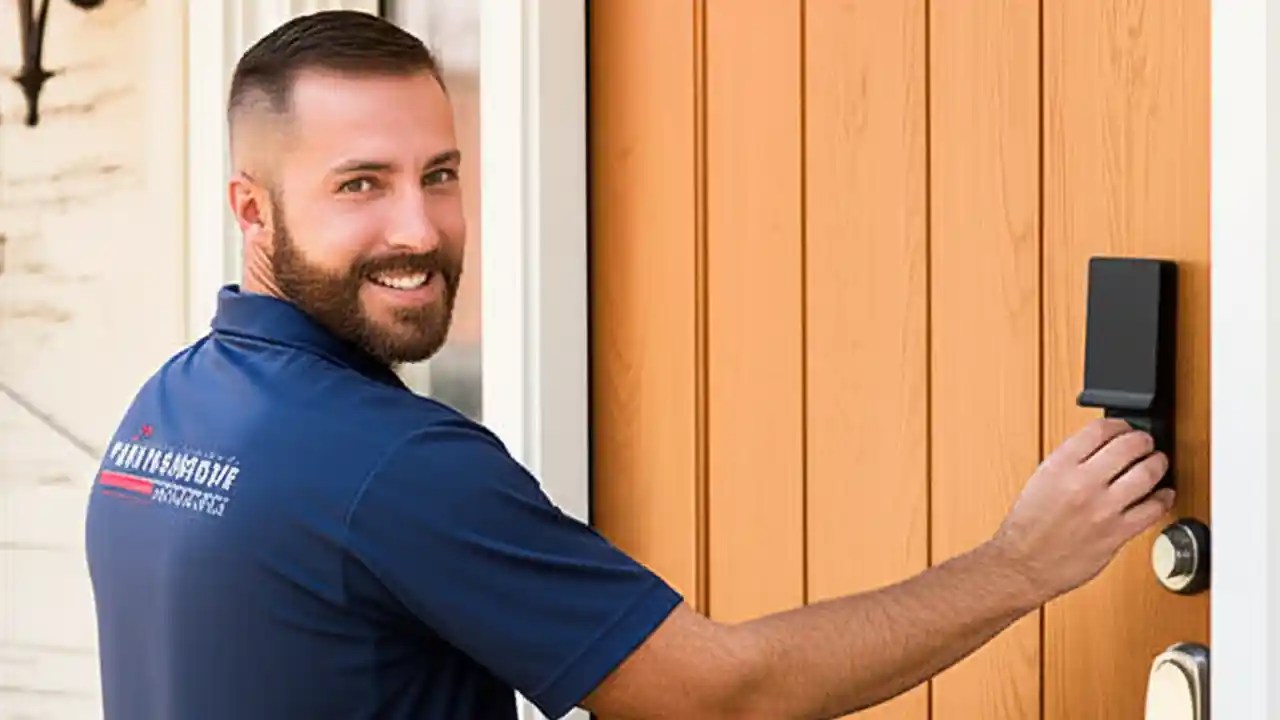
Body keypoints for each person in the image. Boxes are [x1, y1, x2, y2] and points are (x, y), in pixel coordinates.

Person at [84, 10, 1175, 720]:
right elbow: (719, 695)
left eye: (441, 174)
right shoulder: (397, 465)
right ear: (252, 209)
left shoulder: (168, 412)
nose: (420, 228)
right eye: (361, 184)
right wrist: (1019, 563)